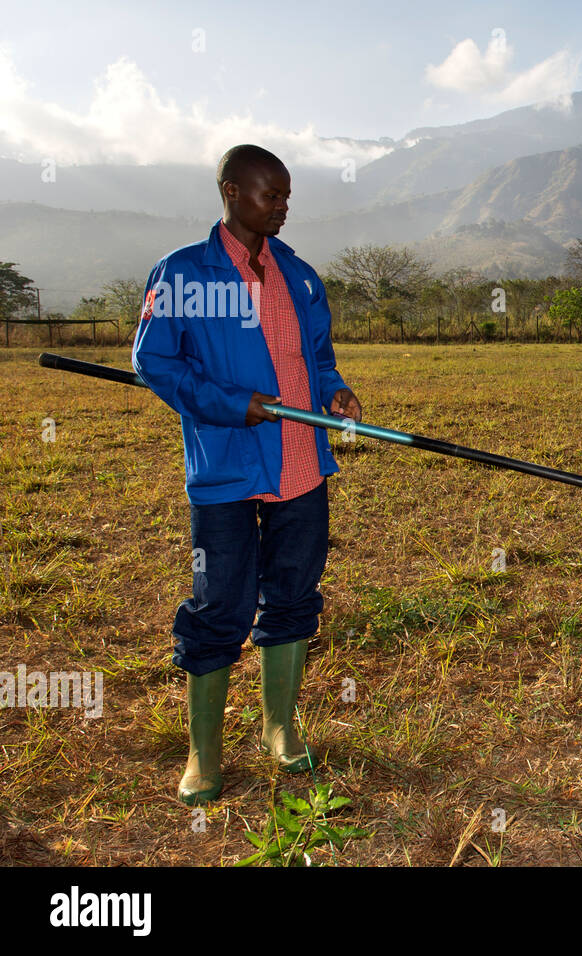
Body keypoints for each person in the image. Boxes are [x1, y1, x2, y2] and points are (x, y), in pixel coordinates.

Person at [132, 144, 361, 805]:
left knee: (292, 596)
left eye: (287, 195)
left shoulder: (301, 276)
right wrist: (234, 405)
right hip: (227, 471)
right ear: (232, 192)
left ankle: (279, 732)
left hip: (302, 466)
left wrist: (335, 393)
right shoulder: (181, 274)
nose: (282, 206)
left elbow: (316, 359)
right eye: (271, 195)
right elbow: (156, 363)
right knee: (218, 607)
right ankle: (203, 758)